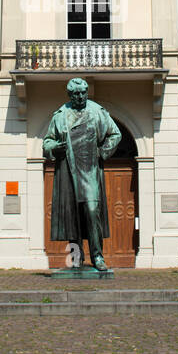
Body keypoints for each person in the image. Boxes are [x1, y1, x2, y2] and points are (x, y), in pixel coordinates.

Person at [42, 78, 121, 271]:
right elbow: (47, 142)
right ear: (70, 95)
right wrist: (55, 147)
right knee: (72, 216)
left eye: (83, 93)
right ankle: (76, 258)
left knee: (92, 211)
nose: (80, 96)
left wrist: (102, 153)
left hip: (89, 170)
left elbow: (115, 134)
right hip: (68, 171)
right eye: (76, 94)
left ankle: (97, 256)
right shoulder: (60, 115)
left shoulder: (97, 112)